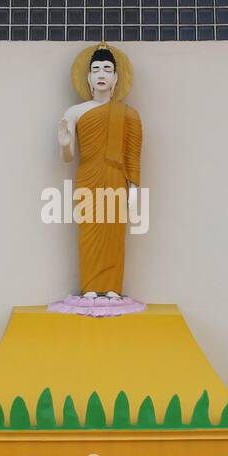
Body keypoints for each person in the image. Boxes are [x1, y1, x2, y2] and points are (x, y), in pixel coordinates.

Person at [57, 46, 143, 299]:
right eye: (95, 70)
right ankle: (90, 287)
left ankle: (113, 287)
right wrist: (64, 144)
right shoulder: (75, 113)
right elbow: (67, 157)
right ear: (88, 78)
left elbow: (133, 155)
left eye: (107, 69)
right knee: (89, 233)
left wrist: (135, 189)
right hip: (88, 177)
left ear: (117, 77)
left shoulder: (129, 115)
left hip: (116, 177)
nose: (101, 74)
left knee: (114, 233)